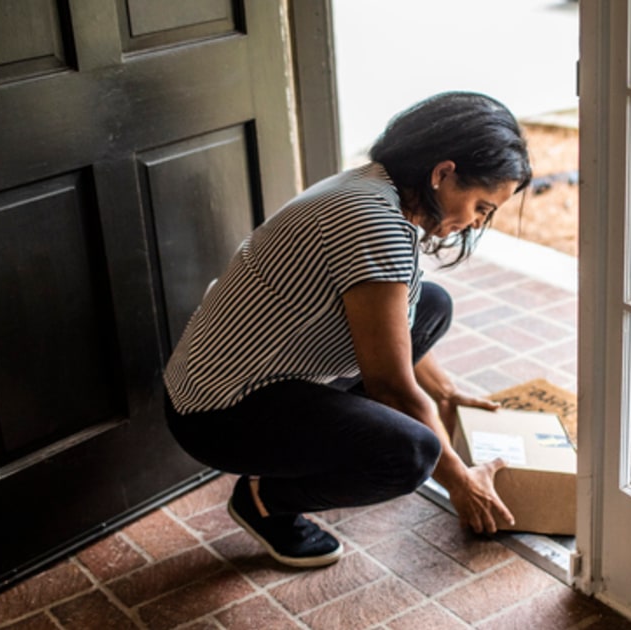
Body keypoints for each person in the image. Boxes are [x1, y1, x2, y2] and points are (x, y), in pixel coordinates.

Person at [164, 92, 533, 568]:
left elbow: (394, 327)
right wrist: (462, 483)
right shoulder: (374, 226)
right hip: (216, 414)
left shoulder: (372, 185)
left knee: (432, 305)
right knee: (410, 454)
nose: (476, 223)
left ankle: (336, 435)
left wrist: (445, 392)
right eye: (482, 206)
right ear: (442, 174)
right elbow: (393, 389)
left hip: (238, 375)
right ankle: (265, 500)